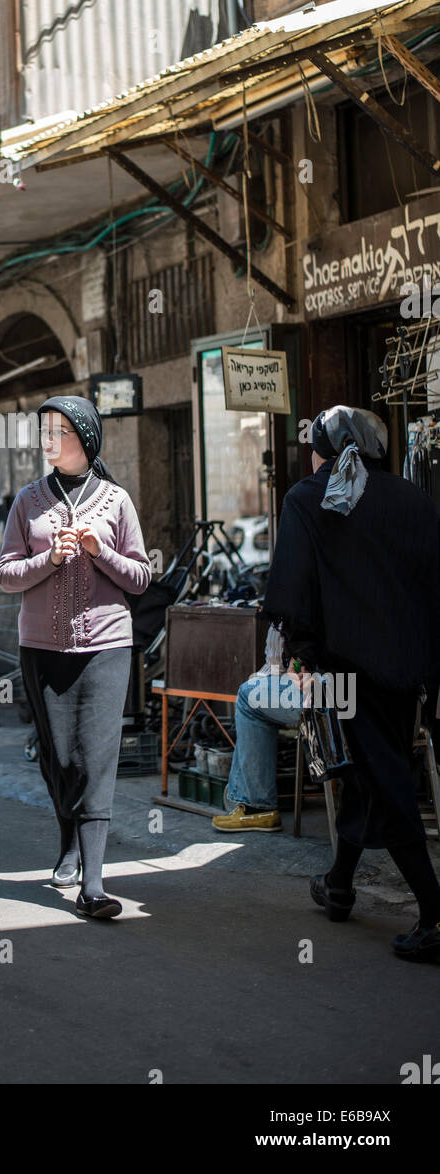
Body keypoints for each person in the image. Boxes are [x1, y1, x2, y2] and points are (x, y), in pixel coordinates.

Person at [260, 405, 440, 962]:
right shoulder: (412, 498)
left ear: (327, 451)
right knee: (370, 767)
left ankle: (433, 913)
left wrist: (302, 658)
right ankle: (339, 882)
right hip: (408, 669)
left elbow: (294, 586)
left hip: (343, 670)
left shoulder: (307, 499)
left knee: (382, 775)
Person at [0, 396, 152, 920]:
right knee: (59, 757)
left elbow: (141, 578)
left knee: (97, 757)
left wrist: (97, 552)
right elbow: (5, 574)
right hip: (42, 648)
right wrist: (52, 557)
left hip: (108, 647)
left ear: (84, 439)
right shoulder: (27, 501)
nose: (48, 439)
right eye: (44, 430)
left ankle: (94, 883)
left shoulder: (116, 501)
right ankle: (67, 839)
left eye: (58, 430)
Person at [212, 629, 303, 833]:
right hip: (321, 685)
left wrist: (294, 668)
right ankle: (250, 799)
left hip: (321, 689)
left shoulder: (300, 606)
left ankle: (254, 805)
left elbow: (302, 658)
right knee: (253, 692)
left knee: (248, 696)